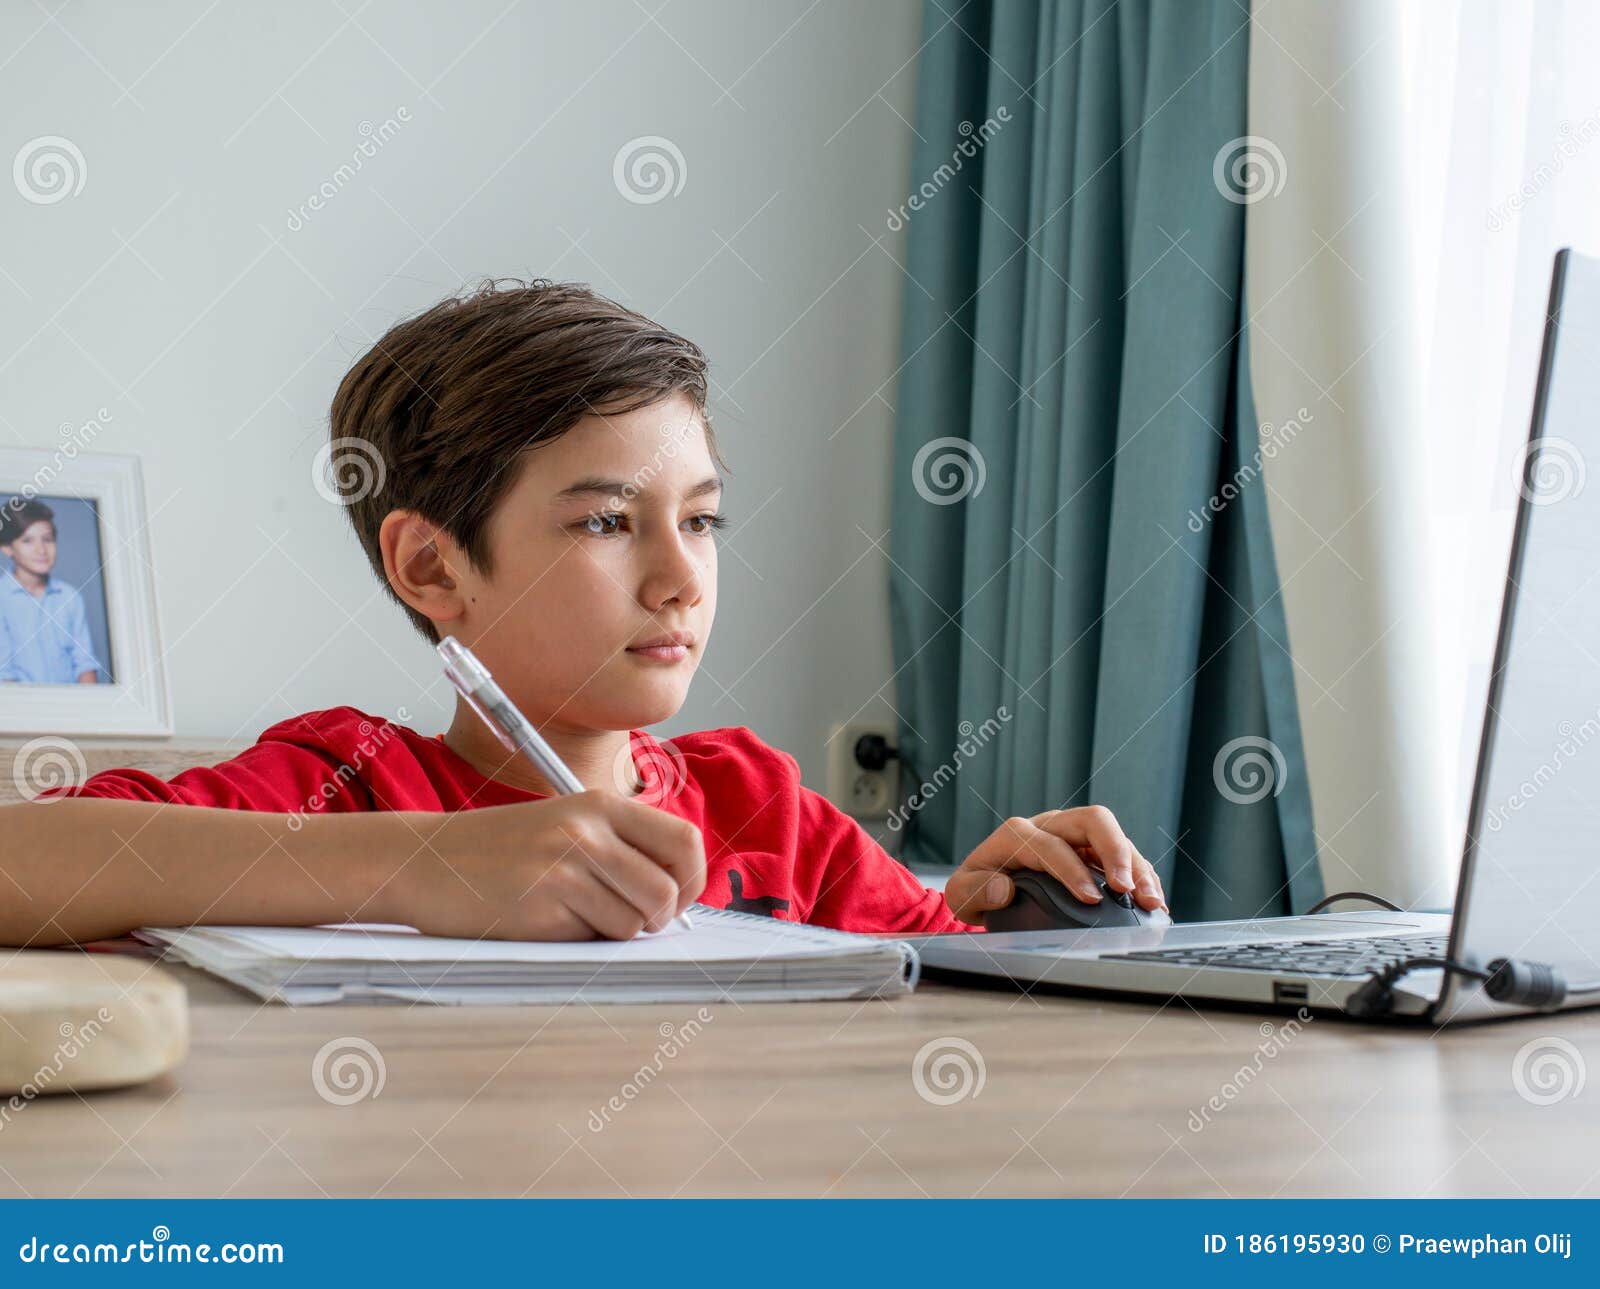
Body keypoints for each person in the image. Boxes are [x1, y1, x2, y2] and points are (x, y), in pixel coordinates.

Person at [0, 282, 1166, 948]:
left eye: (700, 519)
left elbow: (940, 985)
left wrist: (1000, 919)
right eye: (607, 521)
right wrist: (419, 867)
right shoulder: (351, 781)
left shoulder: (761, 809)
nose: (680, 577)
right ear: (431, 565)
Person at [0, 497, 102, 685]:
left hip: (72, 701)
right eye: (27, 541)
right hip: (17, 701)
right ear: (7, 548)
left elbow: (85, 664)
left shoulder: (70, 597)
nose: (41, 550)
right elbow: (4, 673)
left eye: (47, 540)